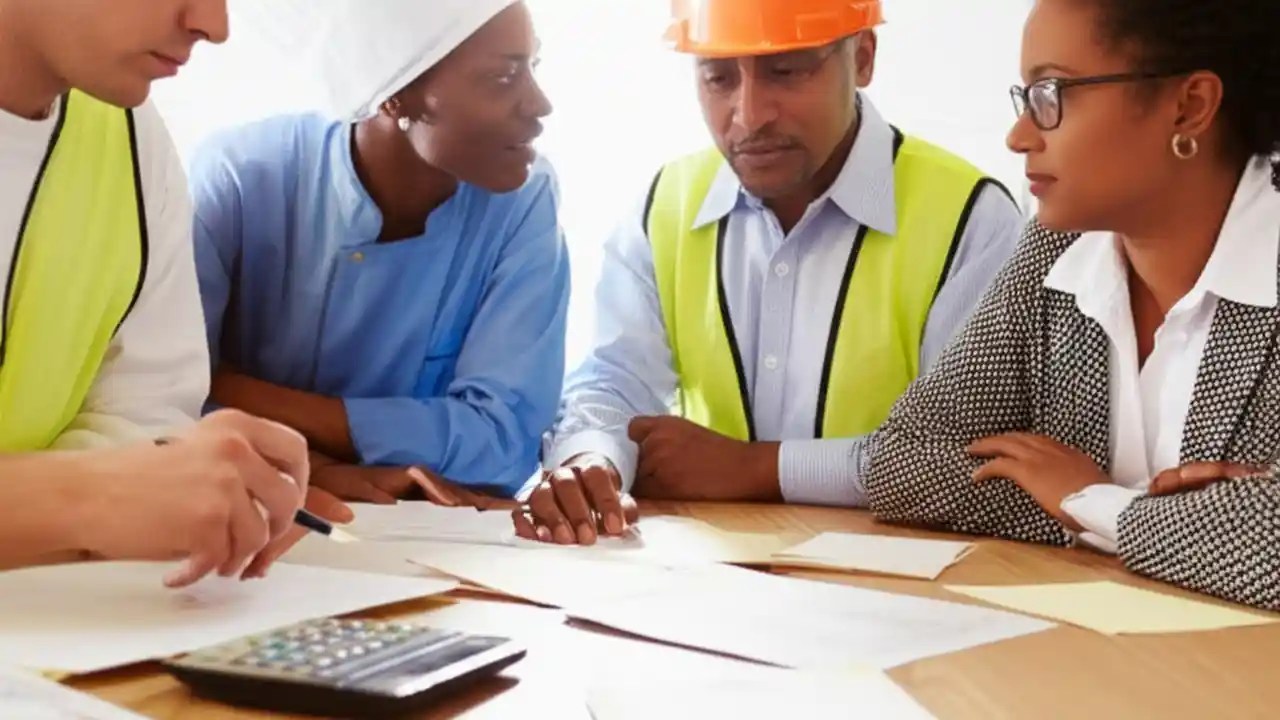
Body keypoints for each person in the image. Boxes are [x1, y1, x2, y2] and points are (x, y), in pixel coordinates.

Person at [516, 0, 1025, 545]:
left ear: (864, 58)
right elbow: (614, 379)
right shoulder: (665, 205)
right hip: (715, 585)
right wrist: (594, 455)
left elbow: (961, 453)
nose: (749, 114)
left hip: (909, 588)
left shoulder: (971, 218)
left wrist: (758, 468)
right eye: (718, 77)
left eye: (786, 71)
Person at [864, 0, 1280, 610]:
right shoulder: (1054, 247)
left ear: (1189, 106)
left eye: (1052, 92)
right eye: (1026, 96)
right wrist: (1190, 524)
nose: (1019, 134)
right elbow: (900, 463)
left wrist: (1091, 500)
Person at [0, 0, 336, 587]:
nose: (214, 24)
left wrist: (155, 488)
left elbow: (142, 412)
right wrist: (86, 499)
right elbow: (111, 486)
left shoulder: (127, 134)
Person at [191, 0, 567, 504]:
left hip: (433, 539)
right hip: (243, 516)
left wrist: (247, 396)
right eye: (503, 77)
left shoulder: (524, 199)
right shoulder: (242, 179)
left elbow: (505, 443)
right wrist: (322, 471)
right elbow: (168, 399)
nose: (539, 104)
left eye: (532, 66)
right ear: (395, 97)